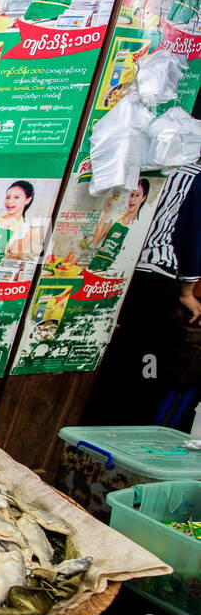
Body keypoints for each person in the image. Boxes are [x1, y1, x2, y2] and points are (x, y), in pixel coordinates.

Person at [86, 160, 201, 425]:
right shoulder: (191, 175)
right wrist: (186, 290)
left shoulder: (132, 157)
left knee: (110, 353)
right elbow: (193, 236)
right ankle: (124, 424)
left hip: (109, 268)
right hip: (150, 278)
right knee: (146, 360)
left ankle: (93, 418)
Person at [88, 178, 149, 273]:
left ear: (143, 198)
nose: (132, 199)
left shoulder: (138, 225)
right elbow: (96, 239)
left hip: (115, 271)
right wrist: (106, 212)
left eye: (137, 195)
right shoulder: (117, 218)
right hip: (96, 265)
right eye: (131, 195)